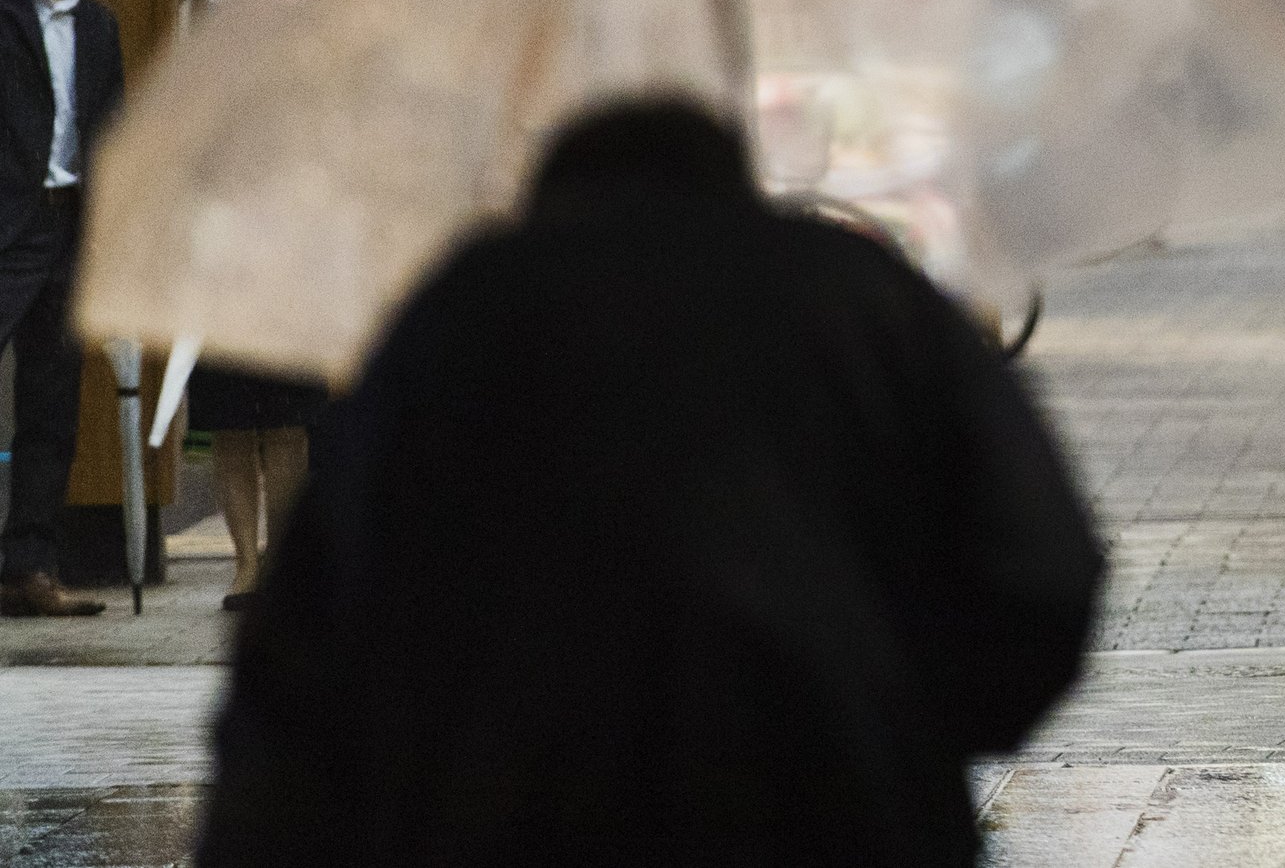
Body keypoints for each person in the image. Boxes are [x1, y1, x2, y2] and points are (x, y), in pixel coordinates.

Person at [196, 98, 1104, 868]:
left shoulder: (468, 309)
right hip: (829, 800)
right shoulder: (861, 297)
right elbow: (1043, 563)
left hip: (514, 802)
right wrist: (911, 726)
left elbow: (316, 623)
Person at [0, 0, 120, 618]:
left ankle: (27, 568)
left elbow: (109, 127)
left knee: (51, 403)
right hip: (5, 224)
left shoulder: (98, 23)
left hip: (67, 225)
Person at [185, 358, 328, 610]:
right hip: (223, 324)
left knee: (288, 428)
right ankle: (246, 564)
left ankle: (280, 561)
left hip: (291, 323)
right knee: (230, 428)